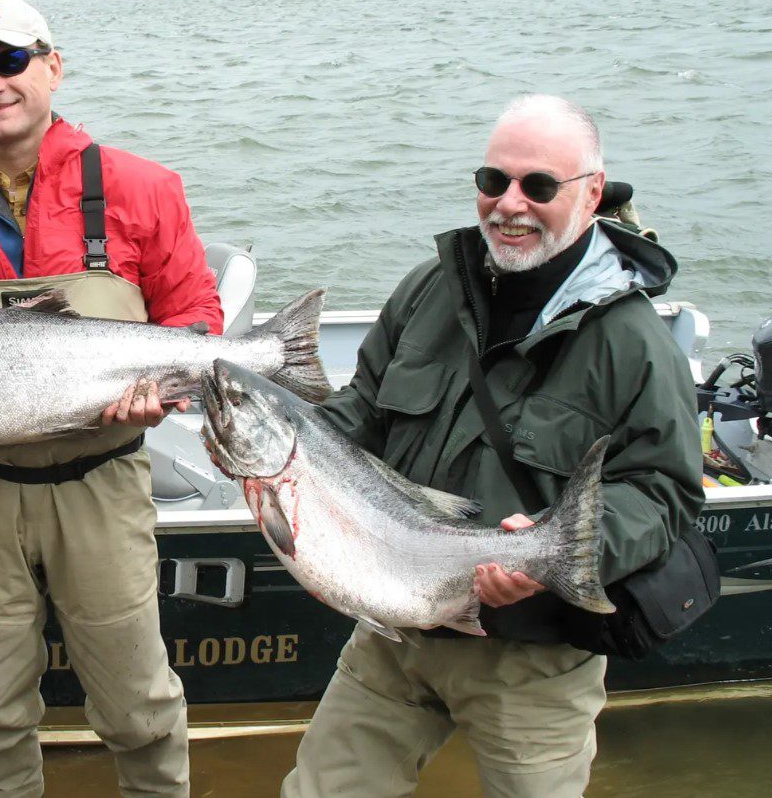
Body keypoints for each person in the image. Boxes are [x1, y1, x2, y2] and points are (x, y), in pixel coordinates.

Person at [279, 94, 703, 797]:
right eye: (492, 180)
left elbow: (663, 493)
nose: (510, 204)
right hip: (393, 635)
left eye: (538, 186)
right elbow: (361, 413)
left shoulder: (634, 342)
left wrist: (552, 553)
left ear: (592, 192)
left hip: (533, 659)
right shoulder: (428, 290)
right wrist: (275, 447)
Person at [0, 0, 221, 797]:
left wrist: (162, 396)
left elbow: (194, 315)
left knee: (138, 705)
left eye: (11, 60)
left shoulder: (143, 188)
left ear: (52, 67)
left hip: (103, 482)